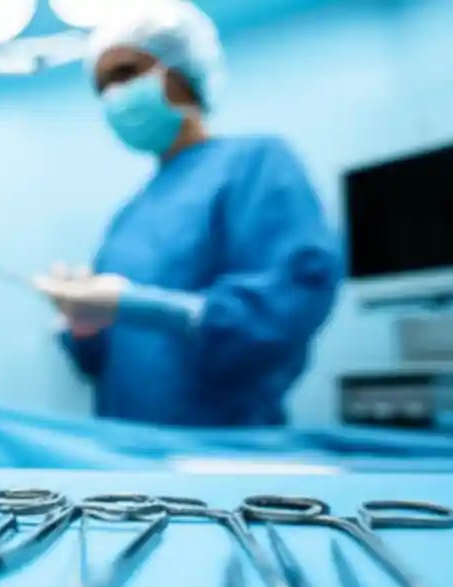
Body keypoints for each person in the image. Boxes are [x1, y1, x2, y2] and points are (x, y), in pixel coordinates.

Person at [39, 0, 342, 427]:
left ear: (182, 71)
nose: (114, 96)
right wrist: (83, 327)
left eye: (126, 73)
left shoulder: (257, 163)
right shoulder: (131, 213)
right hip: (127, 450)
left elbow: (280, 315)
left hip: (228, 448)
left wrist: (137, 304)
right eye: (102, 86)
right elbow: (105, 365)